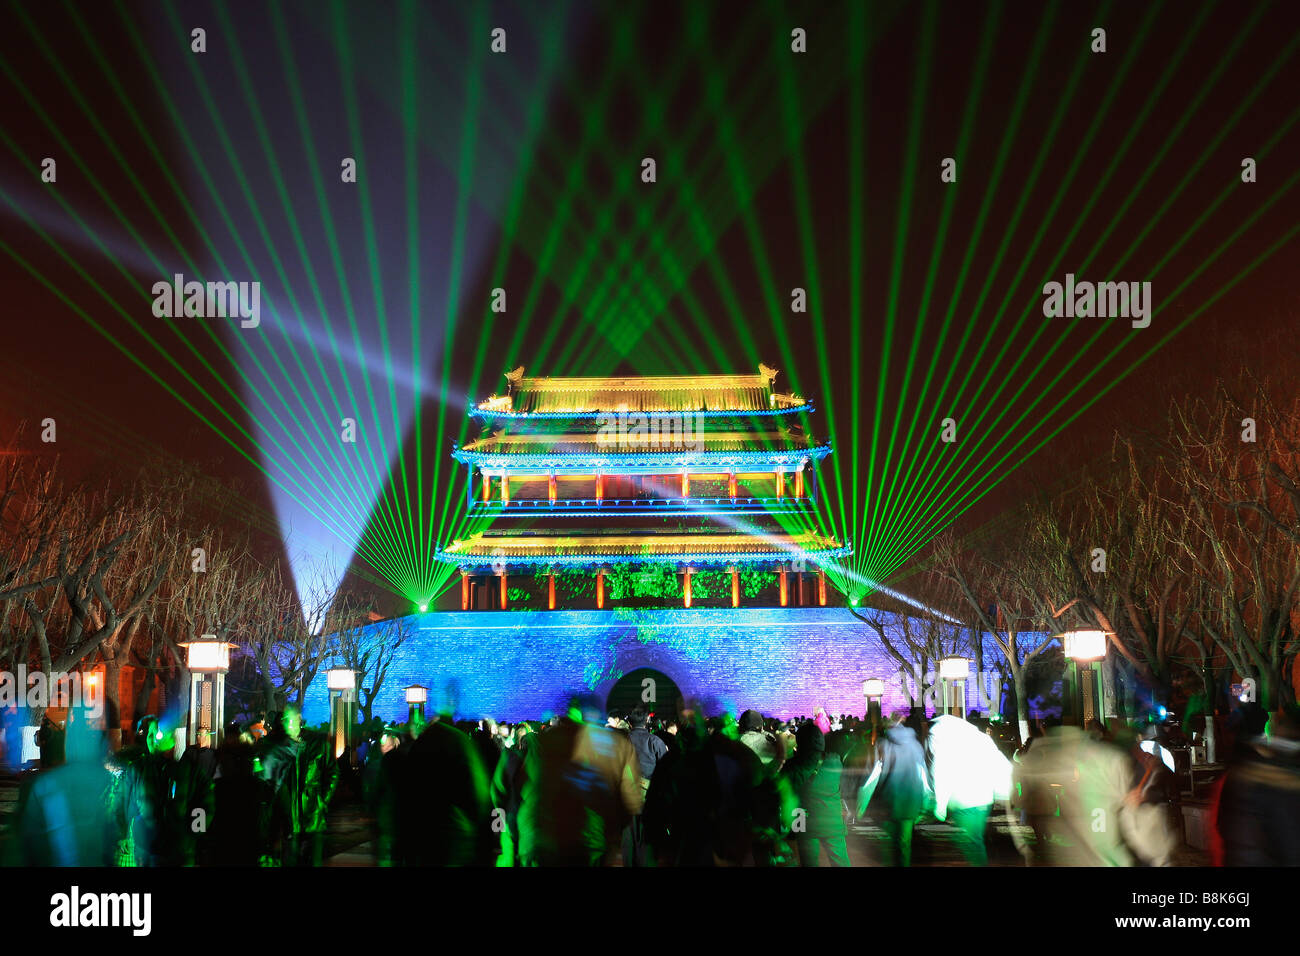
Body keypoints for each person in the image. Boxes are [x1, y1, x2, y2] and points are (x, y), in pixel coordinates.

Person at [517, 695, 643, 866]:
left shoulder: (545, 741)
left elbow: (525, 789)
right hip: (591, 842)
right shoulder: (618, 744)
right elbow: (632, 802)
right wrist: (611, 834)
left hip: (547, 839)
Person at [258, 704, 339, 866]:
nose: (287, 724)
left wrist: (322, 799)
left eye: (290, 719)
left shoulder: (318, 743)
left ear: (299, 720)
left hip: (312, 814)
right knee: (291, 859)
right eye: (284, 720)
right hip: (288, 818)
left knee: (312, 859)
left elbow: (332, 773)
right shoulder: (278, 746)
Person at [926, 714, 1011, 866]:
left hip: (963, 801)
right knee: (974, 839)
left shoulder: (946, 744)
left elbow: (942, 775)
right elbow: (999, 763)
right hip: (983, 799)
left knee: (971, 841)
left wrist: (940, 806)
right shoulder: (981, 738)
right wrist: (1003, 790)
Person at [857, 721, 930, 866]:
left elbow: (873, 776)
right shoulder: (916, 746)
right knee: (904, 843)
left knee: (889, 843)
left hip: (889, 800)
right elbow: (923, 776)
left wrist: (862, 805)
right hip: (910, 802)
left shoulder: (883, 745)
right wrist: (926, 802)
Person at [781, 723, 849, 866]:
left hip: (803, 822)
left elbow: (783, 790)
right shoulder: (835, 761)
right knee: (840, 862)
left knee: (809, 862)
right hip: (832, 821)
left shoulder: (793, 765)